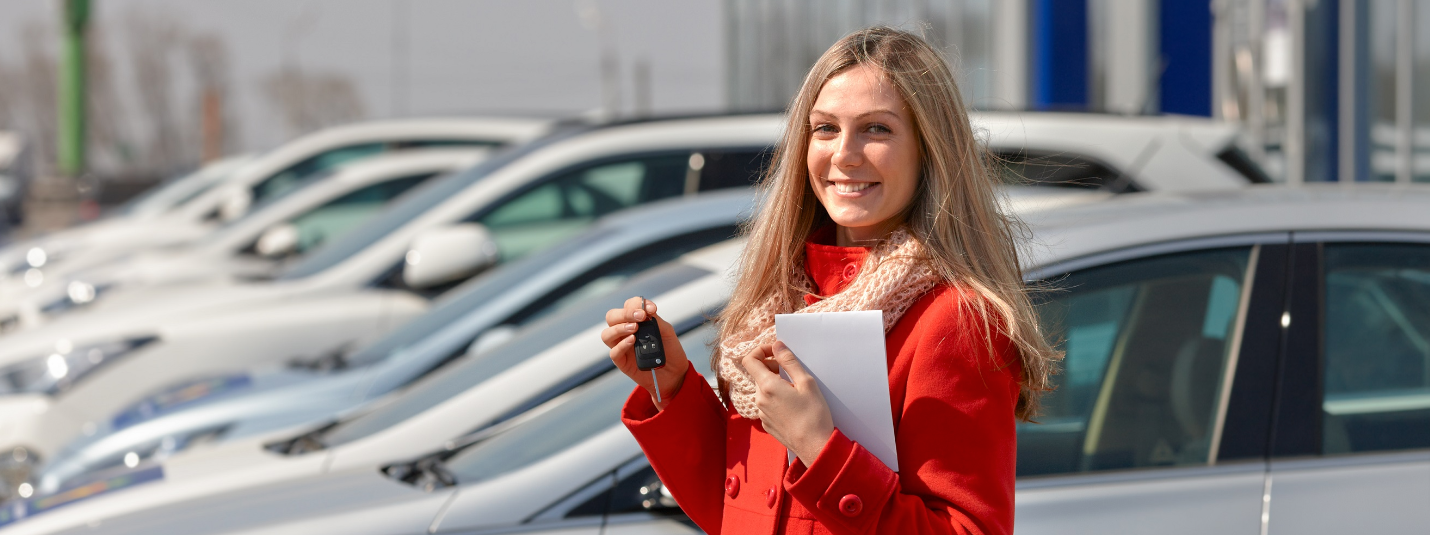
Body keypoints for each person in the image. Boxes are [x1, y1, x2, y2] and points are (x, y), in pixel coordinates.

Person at [600, 26, 1060, 535]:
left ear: (930, 150)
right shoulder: (781, 295)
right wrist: (672, 386)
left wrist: (820, 449)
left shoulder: (956, 318)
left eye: (877, 129)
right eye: (825, 129)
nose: (844, 154)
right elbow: (738, 514)